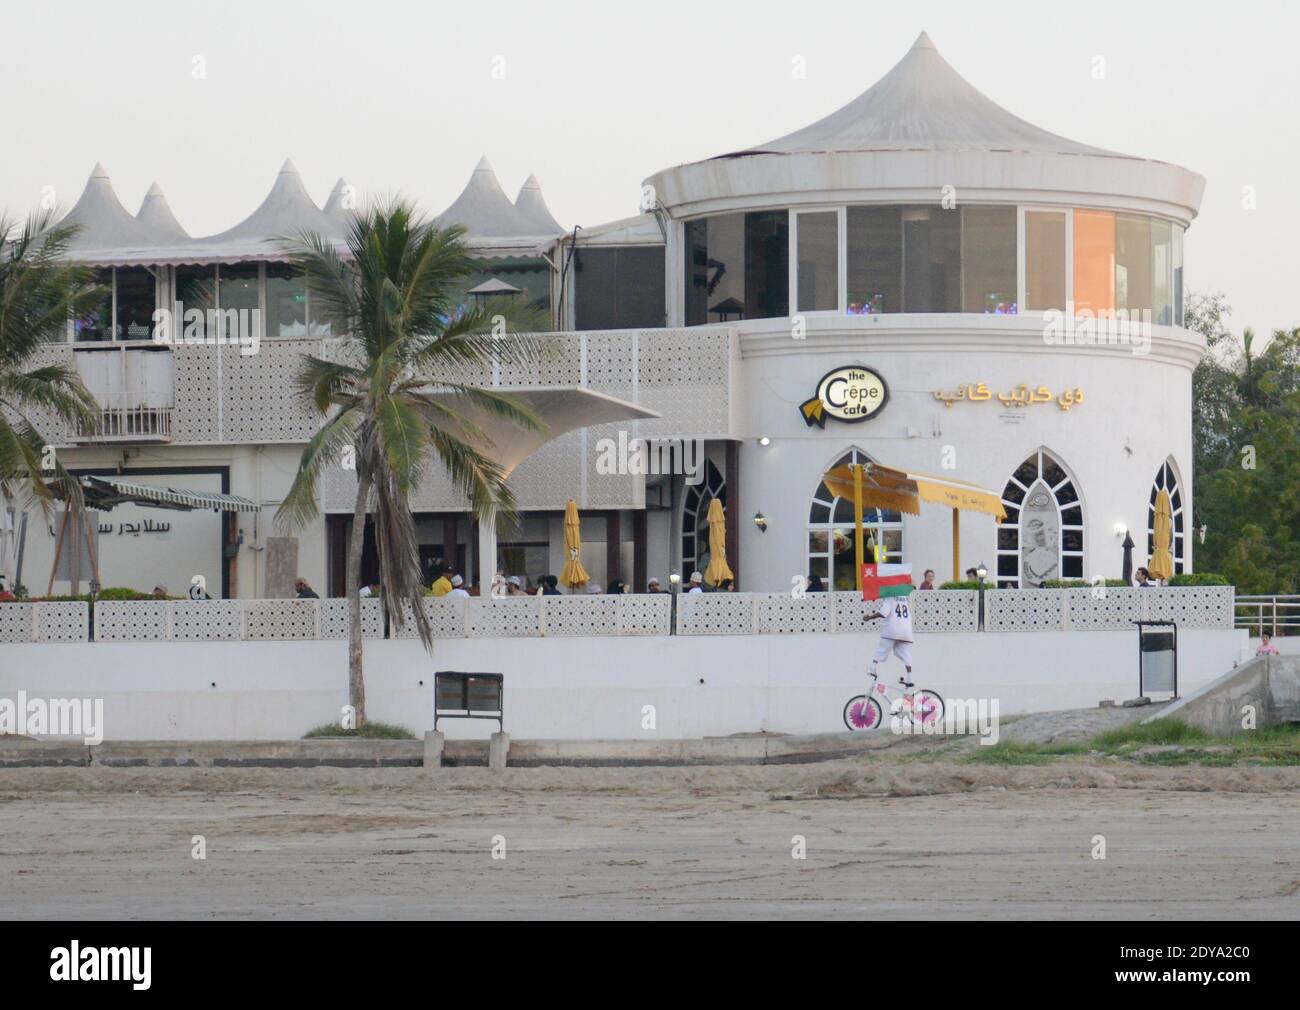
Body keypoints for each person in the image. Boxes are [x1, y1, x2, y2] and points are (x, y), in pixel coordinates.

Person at [864, 589, 914, 684]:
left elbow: (883, 613)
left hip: (893, 628)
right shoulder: (903, 597)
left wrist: (869, 617)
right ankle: (909, 677)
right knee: (903, 652)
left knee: (882, 649)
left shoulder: (890, 596)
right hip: (906, 629)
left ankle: (872, 668)